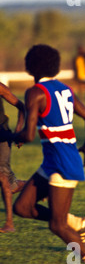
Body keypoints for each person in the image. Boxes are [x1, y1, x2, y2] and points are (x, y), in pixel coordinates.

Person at [10, 44, 85, 264]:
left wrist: (7, 135)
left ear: (31, 66)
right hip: (55, 161)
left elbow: (28, 135)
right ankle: (77, 223)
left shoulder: (35, 92)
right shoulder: (65, 89)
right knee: (22, 207)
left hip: (62, 163)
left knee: (57, 225)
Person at [0, 82, 25, 233]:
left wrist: (19, 129)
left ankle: (9, 223)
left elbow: (21, 107)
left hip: (2, 136)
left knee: (2, 176)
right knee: (12, 186)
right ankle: (38, 186)